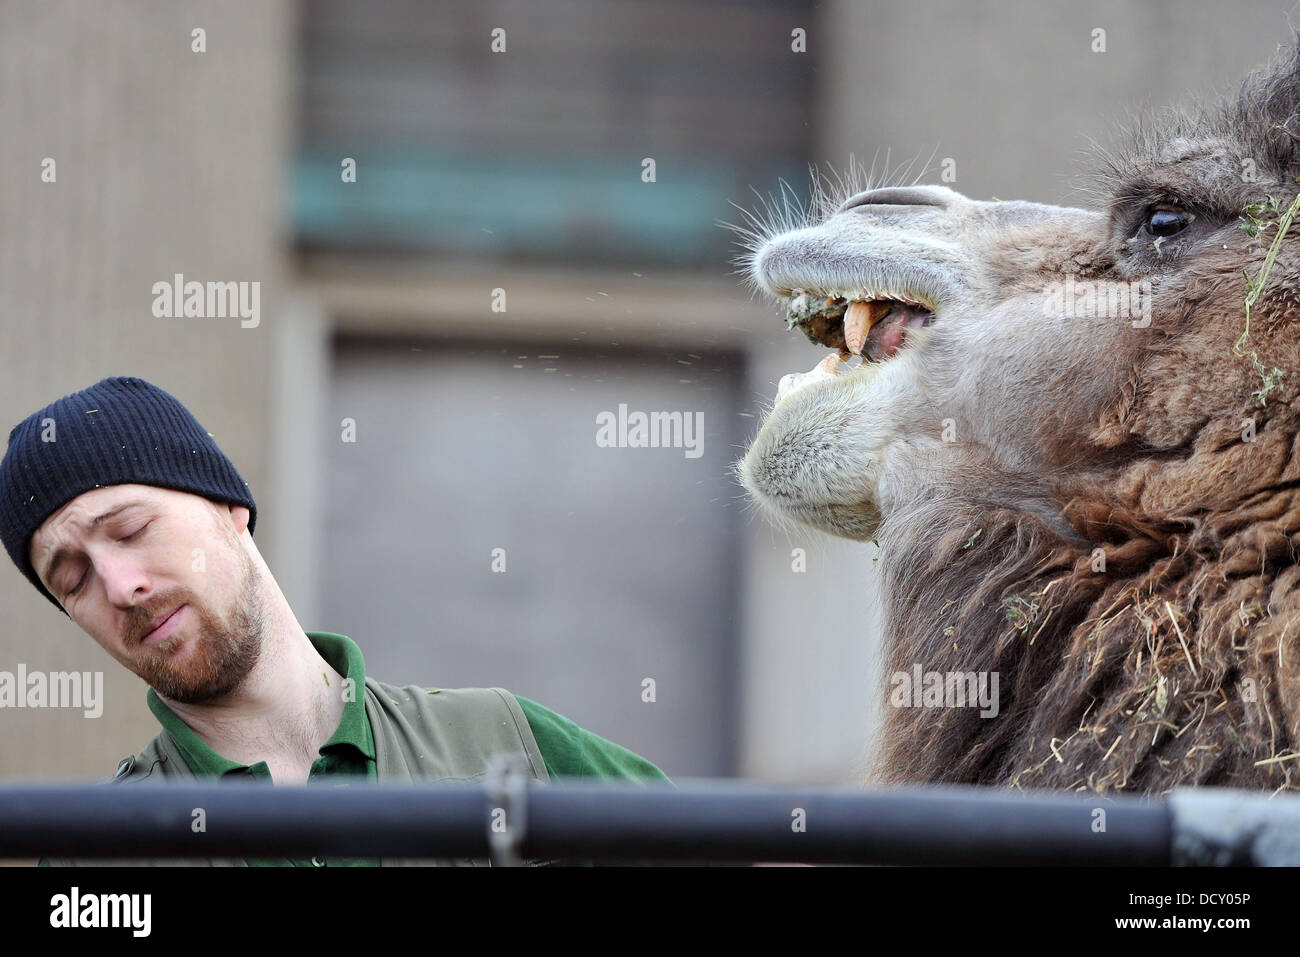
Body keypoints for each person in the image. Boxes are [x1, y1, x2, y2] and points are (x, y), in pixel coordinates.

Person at [0, 376, 671, 866]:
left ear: (227, 505)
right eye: (74, 579)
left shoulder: (502, 739)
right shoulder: (105, 854)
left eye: (132, 528)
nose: (121, 585)